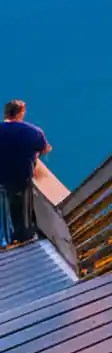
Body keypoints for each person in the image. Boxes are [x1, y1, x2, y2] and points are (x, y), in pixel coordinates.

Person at [0, 100, 51, 246]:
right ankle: (23, 237)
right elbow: (45, 148)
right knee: (21, 210)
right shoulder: (34, 131)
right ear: (21, 113)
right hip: (20, 178)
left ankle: (4, 239)